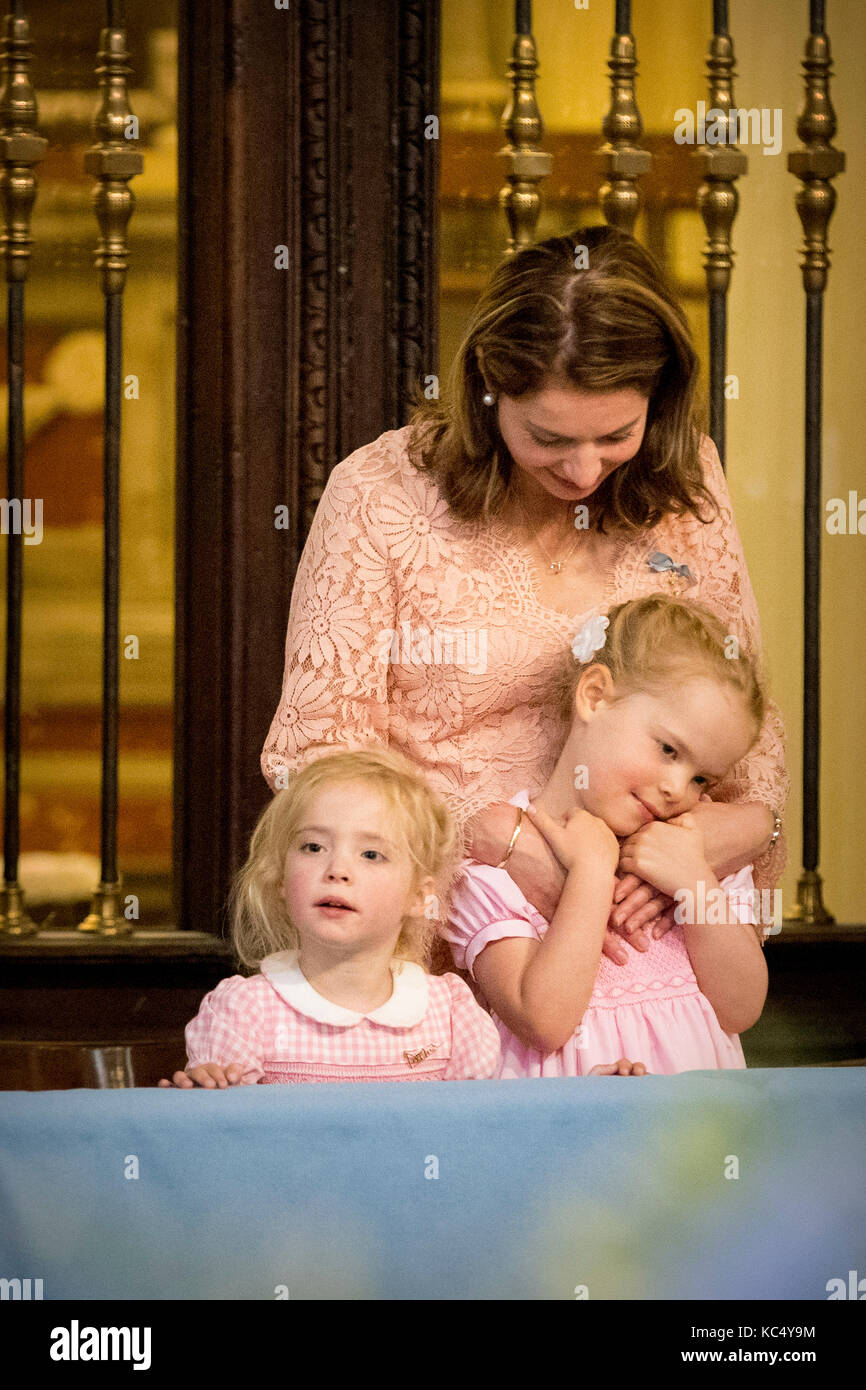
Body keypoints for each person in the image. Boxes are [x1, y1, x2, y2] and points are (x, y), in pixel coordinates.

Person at [260, 224, 789, 966]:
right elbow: (315, 756)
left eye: (615, 435)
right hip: (441, 944)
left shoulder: (685, 483)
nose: (582, 471)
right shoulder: (380, 496)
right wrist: (495, 848)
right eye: (547, 437)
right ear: (486, 387)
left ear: (660, 399)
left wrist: (747, 825)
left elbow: (745, 710)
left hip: (647, 942)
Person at [441, 595, 771, 1077]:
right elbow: (542, 1021)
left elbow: (740, 1009)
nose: (678, 788)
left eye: (703, 779)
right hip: (569, 1136)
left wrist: (695, 882)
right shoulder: (499, 868)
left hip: (696, 1140)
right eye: (668, 749)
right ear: (594, 696)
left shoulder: (698, 858)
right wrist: (592, 874)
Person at [159, 749, 502, 1086]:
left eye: (371, 854)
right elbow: (227, 1136)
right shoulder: (243, 1012)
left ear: (418, 896)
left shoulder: (452, 1015)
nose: (337, 870)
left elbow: (473, 1134)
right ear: (280, 877)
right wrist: (205, 1097)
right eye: (313, 847)